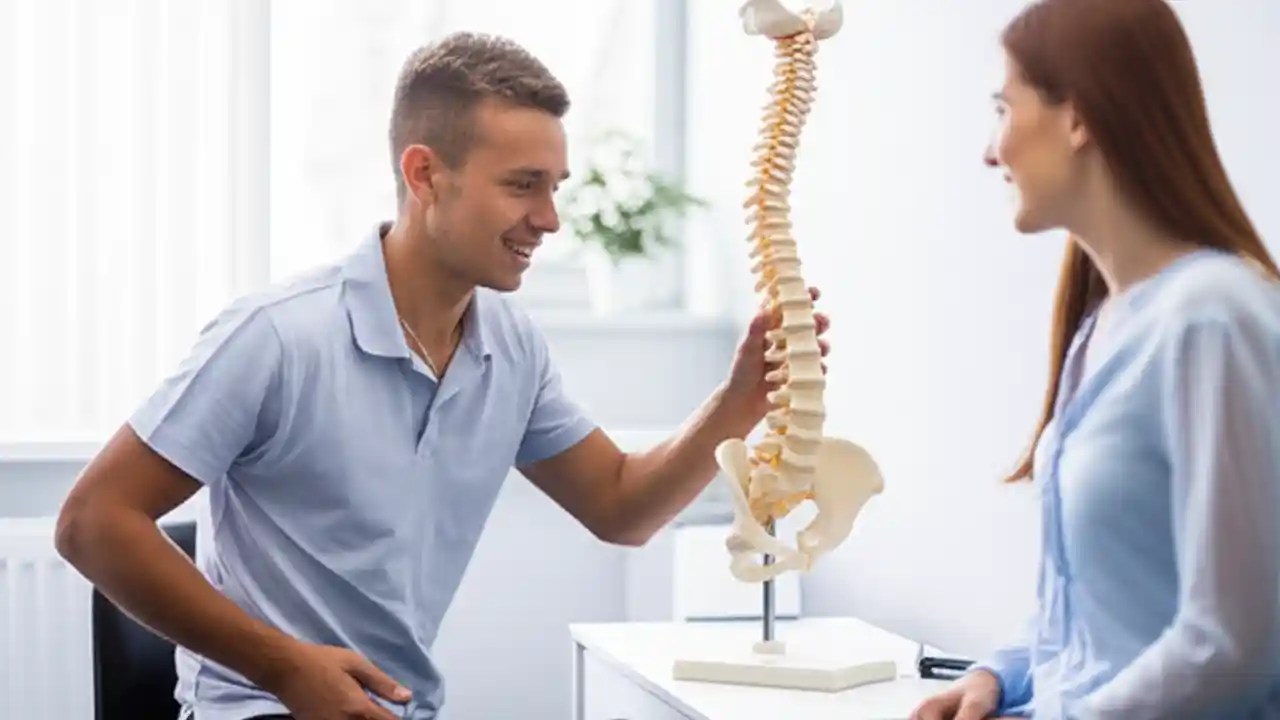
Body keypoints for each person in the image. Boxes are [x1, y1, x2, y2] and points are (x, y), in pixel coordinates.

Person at [54, 32, 829, 720]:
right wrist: (284, 668)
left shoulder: (512, 350)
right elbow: (93, 522)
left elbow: (620, 507)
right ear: (426, 175)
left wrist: (736, 405)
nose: (551, 218)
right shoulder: (277, 337)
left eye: (555, 186)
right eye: (523, 184)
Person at [911, 1, 1280, 718]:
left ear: (1078, 118)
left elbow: (1234, 642)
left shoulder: (1214, 320)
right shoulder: (1100, 329)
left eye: (1002, 109)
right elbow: (1099, 617)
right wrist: (1000, 675)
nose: (992, 150)